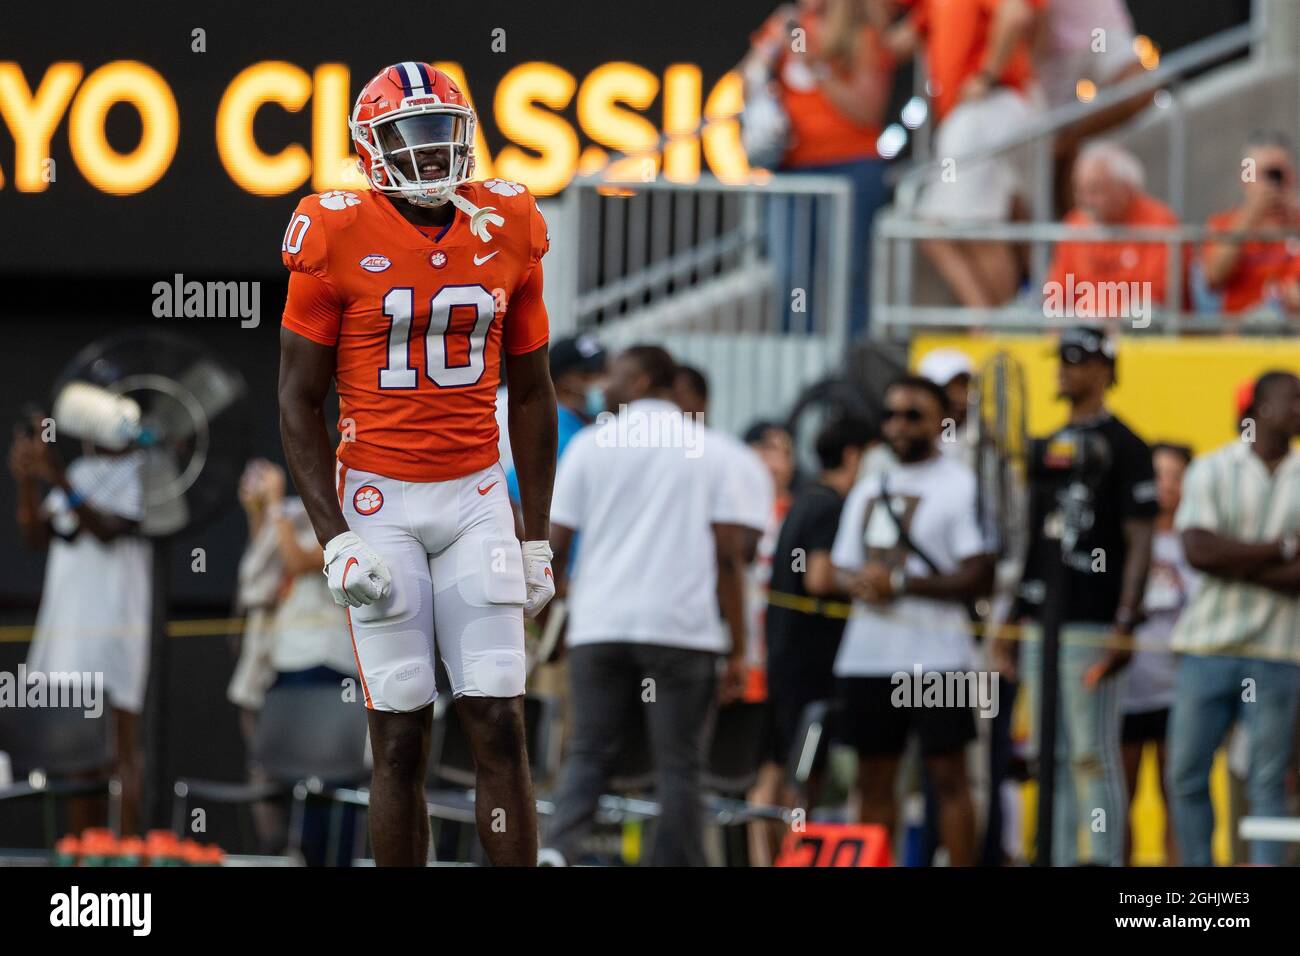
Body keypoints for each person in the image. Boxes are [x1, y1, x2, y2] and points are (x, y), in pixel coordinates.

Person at [277, 62, 558, 867]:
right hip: (378, 497)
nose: (434, 154)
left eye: (444, 134)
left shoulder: (508, 221)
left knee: (501, 719)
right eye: (413, 136)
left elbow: (534, 392)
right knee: (400, 734)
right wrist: (334, 539)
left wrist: (532, 534)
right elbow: (298, 402)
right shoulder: (332, 230)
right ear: (371, 147)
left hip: (474, 494)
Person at [545, 346, 751, 866]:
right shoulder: (710, 450)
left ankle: (556, 853)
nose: (601, 384)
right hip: (682, 630)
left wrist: (545, 621)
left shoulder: (590, 446)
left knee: (588, 752)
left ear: (639, 381)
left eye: (612, 374)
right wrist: (739, 646)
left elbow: (555, 545)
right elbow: (729, 557)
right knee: (679, 765)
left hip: (599, 626)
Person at [1002, 325, 1156, 866]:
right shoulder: (1047, 448)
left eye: (1078, 358)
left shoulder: (1127, 446)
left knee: (1092, 751)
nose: (1065, 368)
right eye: (1061, 358)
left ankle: (1107, 860)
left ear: (1106, 370)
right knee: (1051, 751)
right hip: (1045, 617)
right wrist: (1012, 619)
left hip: (1093, 617)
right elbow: (1028, 541)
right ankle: (1058, 857)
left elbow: (1141, 539)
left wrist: (1125, 620)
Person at [832, 376, 995, 866]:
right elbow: (840, 565)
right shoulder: (869, 486)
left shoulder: (962, 484)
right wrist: (857, 583)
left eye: (913, 415)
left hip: (939, 658)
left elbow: (977, 574)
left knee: (948, 777)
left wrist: (901, 585)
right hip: (867, 657)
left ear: (938, 420)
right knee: (873, 780)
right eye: (891, 415)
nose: (898, 426)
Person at [1167, 371, 1300, 866]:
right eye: (1294, 399)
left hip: (1280, 653)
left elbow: (1215, 553)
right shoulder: (1212, 468)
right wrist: (1280, 549)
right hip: (1208, 647)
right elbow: (1198, 550)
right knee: (1186, 774)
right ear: (1263, 407)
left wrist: (1236, 562)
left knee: (1268, 781)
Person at [10, 409, 149, 836]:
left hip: (114, 631)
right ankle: (80, 860)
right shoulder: (81, 469)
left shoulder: (142, 471)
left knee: (117, 753)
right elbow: (36, 537)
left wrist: (56, 476)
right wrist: (27, 481)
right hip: (67, 634)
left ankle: (125, 859)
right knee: (76, 758)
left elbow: (107, 530)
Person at [744, 0, 896, 334]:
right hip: (792, 169)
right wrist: (765, 56)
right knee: (790, 273)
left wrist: (816, 67)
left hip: (852, 169)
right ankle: (799, 358)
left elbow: (868, 111)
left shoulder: (862, 34)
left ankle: (852, 361)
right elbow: (746, 82)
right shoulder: (787, 25)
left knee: (849, 272)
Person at [886, 0, 1044, 307]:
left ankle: (1000, 327)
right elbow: (891, 47)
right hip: (968, 116)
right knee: (931, 225)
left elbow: (1015, 13)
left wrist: (987, 76)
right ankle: (985, 320)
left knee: (977, 228)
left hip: (988, 106)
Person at [765, 415, 875, 810]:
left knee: (786, 768)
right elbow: (820, 577)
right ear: (853, 456)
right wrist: (871, 583)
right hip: (810, 664)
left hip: (788, 657)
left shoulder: (806, 501)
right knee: (804, 772)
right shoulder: (831, 507)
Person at [1121, 442, 1196, 866]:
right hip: (1128, 688)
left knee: (1179, 795)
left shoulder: (1197, 542)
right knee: (1119, 797)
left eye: (1176, 475)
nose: (1165, 485)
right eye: (1157, 475)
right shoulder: (1123, 538)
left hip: (1180, 691)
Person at [1045, 142, 1186, 317]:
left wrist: (1103, 315)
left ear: (1125, 189)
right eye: (1079, 191)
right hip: (1085, 328)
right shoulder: (1075, 225)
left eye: (1095, 191)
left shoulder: (1159, 223)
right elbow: (1057, 294)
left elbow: (1159, 295)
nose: (1085, 200)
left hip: (1140, 331)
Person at [1202, 132, 1300, 318]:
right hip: (1241, 337)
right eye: (1265, 174)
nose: (1273, 183)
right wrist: (1248, 218)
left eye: (1278, 174)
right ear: (1245, 177)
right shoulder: (1224, 224)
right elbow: (1213, 278)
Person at [505, 333, 607, 505]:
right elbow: (511, 494)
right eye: (590, 375)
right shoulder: (553, 432)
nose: (604, 382)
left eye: (604, 372)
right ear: (564, 383)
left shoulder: (583, 425)